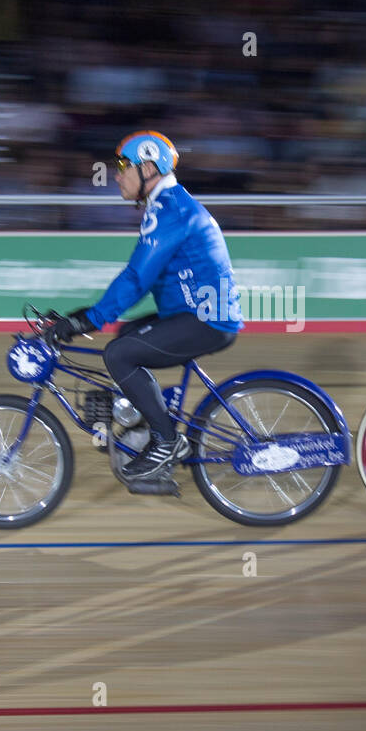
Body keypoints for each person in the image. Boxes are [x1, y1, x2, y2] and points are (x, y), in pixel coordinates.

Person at [51, 131, 244, 481]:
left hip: (205, 319)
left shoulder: (169, 210)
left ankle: (166, 440)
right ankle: (145, 424)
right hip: (195, 314)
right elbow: (143, 279)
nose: (117, 174)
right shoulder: (166, 205)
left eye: (124, 165)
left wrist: (87, 320)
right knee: (128, 335)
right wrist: (92, 317)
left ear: (150, 168)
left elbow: (137, 277)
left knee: (119, 354)